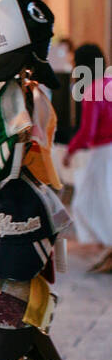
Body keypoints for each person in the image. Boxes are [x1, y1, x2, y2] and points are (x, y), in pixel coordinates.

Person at [66, 47, 112, 269]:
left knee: (88, 204)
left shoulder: (93, 91)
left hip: (102, 153)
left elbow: (88, 132)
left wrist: (70, 151)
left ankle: (109, 249)